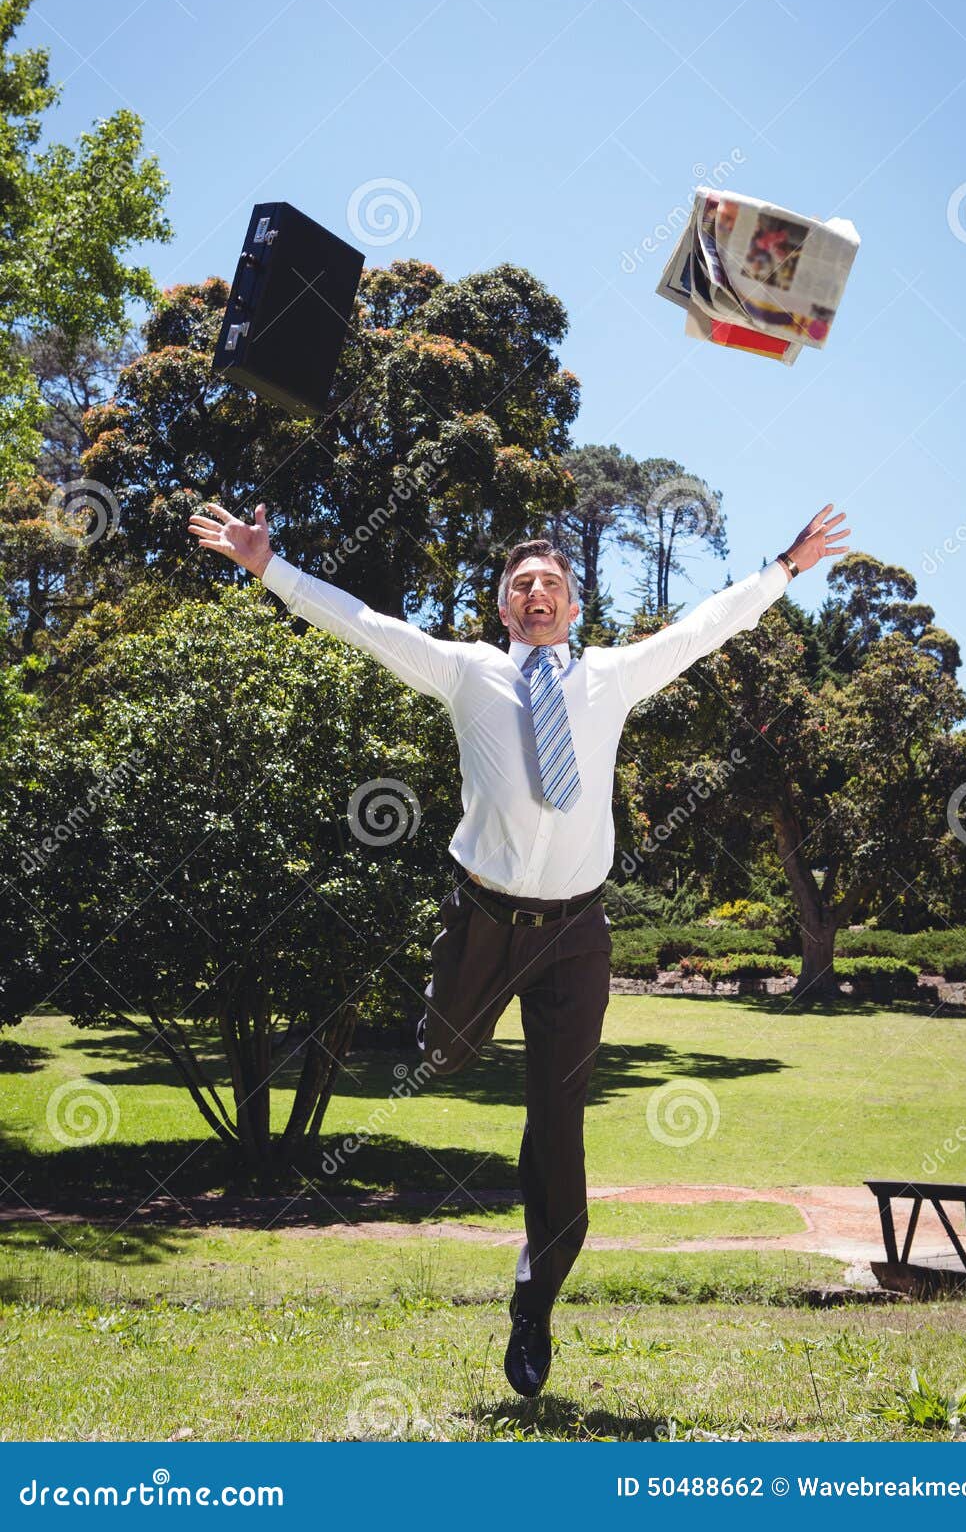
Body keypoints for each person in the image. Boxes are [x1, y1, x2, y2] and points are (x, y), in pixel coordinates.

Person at [188, 500, 850, 1397]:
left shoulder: (612, 677)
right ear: (502, 610)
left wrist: (786, 564)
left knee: (558, 1124)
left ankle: (534, 1300)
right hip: (484, 918)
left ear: (574, 609)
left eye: (551, 585)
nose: (536, 594)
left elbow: (702, 627)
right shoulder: (466, 673)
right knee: (448, 1056)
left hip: (577, 931)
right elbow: (366, 626)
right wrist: (270, 568)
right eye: (520, 585)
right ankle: (440, 1027)